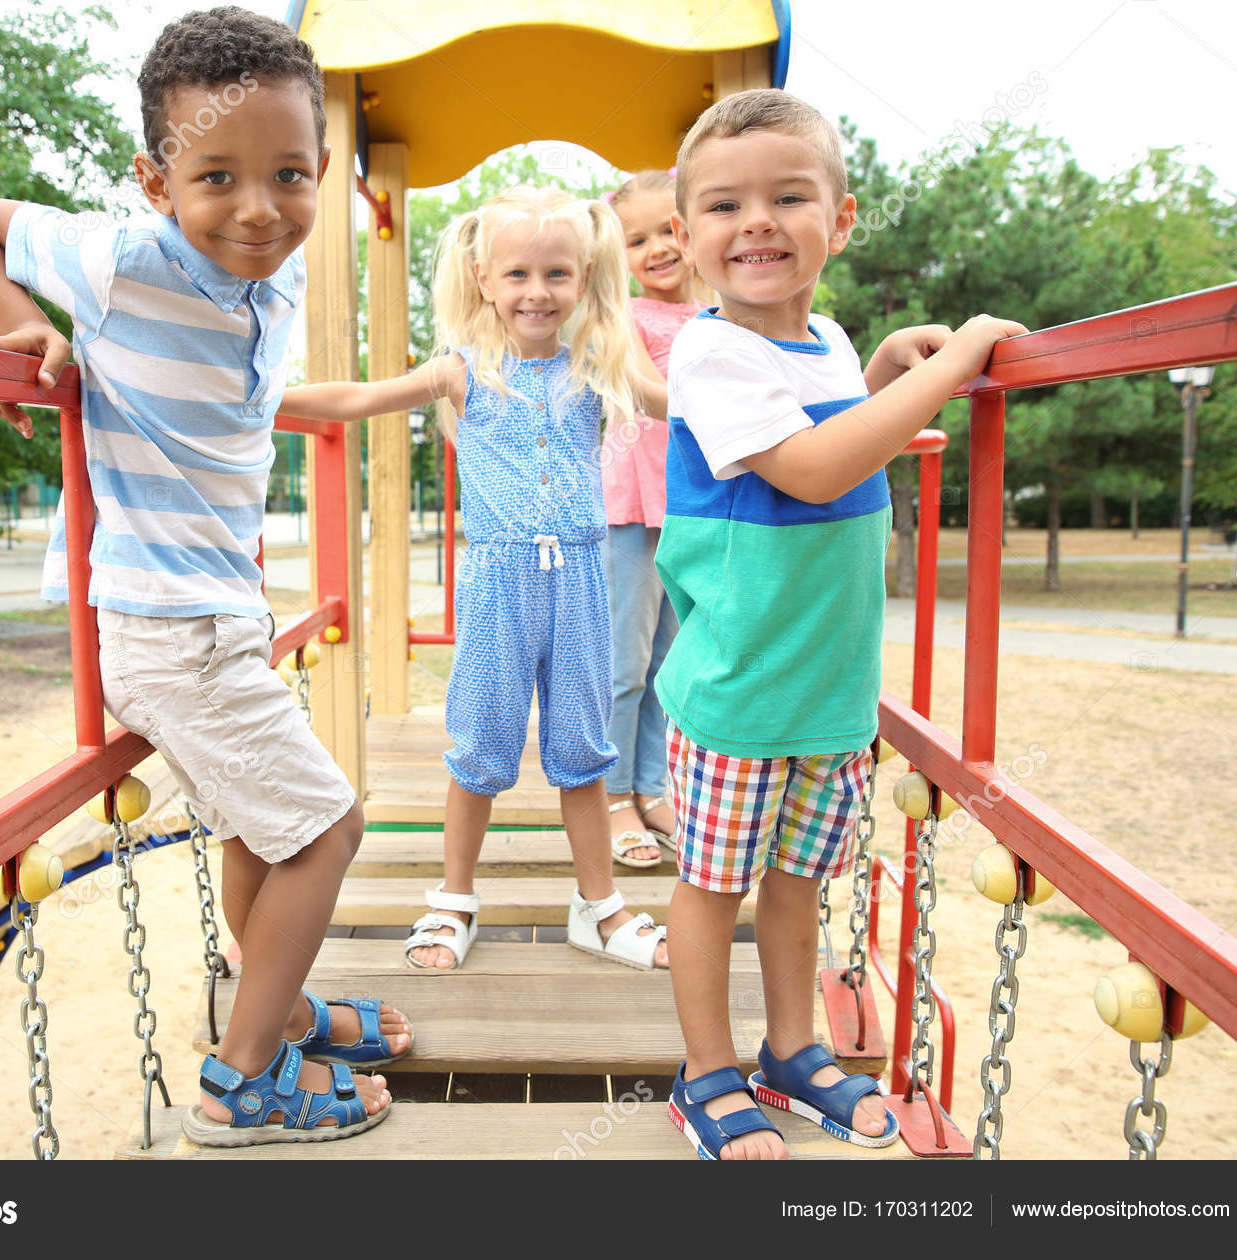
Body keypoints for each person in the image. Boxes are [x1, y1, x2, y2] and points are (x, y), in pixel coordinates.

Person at [0, 7, 411, 1147]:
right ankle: (241, 1080)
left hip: (217, 617)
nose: (258, 209)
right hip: (169, 625)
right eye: (215, 178)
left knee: (263, 832)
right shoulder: (122, 259)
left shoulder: (277, 281)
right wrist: (25, 326)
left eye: (288, 175)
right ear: (155, 183)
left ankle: (280, 1010)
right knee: (327, 829)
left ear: (319, 171)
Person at [656, 88, 1026, 1159]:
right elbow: (813, 472)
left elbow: (823, 429)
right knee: (713, 887)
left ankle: (790, 1049)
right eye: (723, 205)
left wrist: (873, 373)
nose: (756, 223)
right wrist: (951, 365)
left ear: (842, 218)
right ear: (685, 234)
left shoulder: (822, 336)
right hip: (740, 684)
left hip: (827, 685)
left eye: (788, 197)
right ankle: (705, 1071)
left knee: (796, 880)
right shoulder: (709, 351)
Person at [282, 184, 672, 972]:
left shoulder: (595, 364)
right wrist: (254, 400)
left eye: (557, 274)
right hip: (498, 585)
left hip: (580, 580)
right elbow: (356, 399)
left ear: (584, 276)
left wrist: (808, 405)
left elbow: (679, 405)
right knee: (481, 748)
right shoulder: (464, 371)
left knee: (584, 749)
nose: (537, 292)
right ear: (483, 277)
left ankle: (599, 908)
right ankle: (454, 898)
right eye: (518, 274)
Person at [600, 170, 701, 869]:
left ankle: (651, 784)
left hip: (690, 503)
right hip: (634, 502)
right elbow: (643, 387)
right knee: (626, 662)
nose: (658, 248)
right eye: (637, 240)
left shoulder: (718, 315)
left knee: (671, 660)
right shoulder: (624, 317)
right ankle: (611, 795)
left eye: (669, 230)